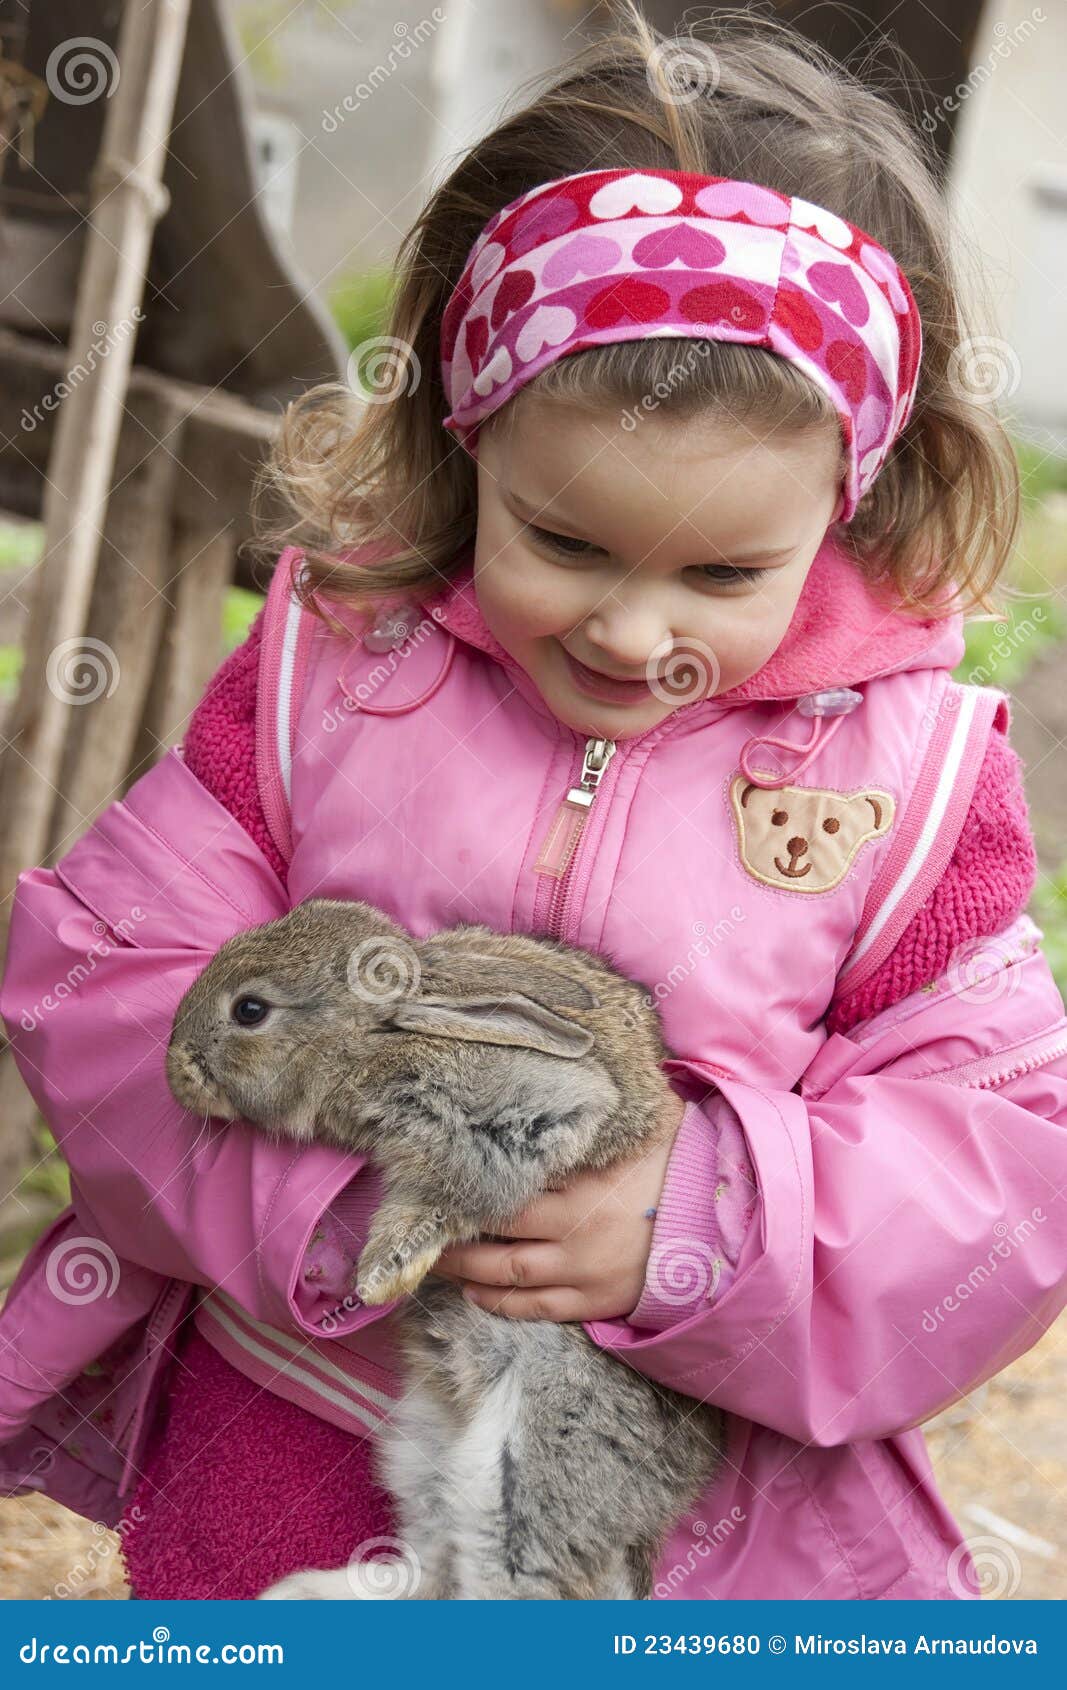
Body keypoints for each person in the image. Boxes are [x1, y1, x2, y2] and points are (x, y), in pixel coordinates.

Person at [1, 4, 1066, 1602]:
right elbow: (103, 984)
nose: (634, 631)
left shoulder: (908, 787)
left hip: (668, 1537)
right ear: (467, 434)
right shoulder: (335, 670)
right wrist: (339, 1185)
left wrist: (696, 1228)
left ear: (847, 499)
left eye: (725, 571)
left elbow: (1000, 1169)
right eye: (565, 541)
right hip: (289, 1455)